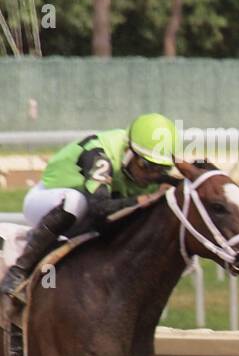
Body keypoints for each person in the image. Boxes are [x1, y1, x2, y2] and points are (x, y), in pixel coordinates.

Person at [1, 113, 179, 304]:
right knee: (76, 201)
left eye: (160, 168)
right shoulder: (100, 154)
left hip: (86, 211)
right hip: (47, 201)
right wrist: (145, 199)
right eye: (145, 165)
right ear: (128, 150)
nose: (151, 174)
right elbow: (99, 207)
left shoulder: (149, 167)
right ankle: (19, 271)